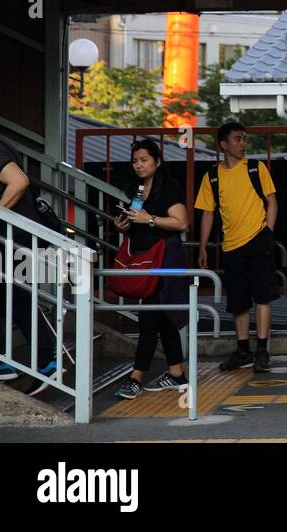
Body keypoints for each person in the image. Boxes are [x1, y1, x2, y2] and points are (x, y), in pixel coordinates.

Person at [194, 121, 278, 374]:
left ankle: (262, 350)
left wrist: (268, 232)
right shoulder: (212, 176)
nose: (243, 144)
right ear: (223, 144)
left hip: (258, 240)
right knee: (238, 301)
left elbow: (271, 201)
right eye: (237, 139)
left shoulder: (255, 168)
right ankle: (243, 350)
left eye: (244, 139)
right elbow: (208, 214)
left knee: (263, 296)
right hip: (231, 245)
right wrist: (203, 247)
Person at [111, 140, 191, 400]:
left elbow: (181, 223)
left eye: (144, 160)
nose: (139, 165)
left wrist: (150, 219)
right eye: (135, 161)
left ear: (157, 161)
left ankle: (136, 376)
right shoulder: (137, 190)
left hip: (165, 259)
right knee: (163, 315)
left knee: (149, 317)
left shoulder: (168, 189)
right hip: (146, 259)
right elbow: (138, 222)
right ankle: (176, 372)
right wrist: (124, 225)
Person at [0, 125, 58, 392]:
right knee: (6, 297)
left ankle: (42, 363)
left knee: (16, 298)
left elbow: (19, 181)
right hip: (16, 237)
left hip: (12, 237)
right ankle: (3, 361)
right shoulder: (0, 144)